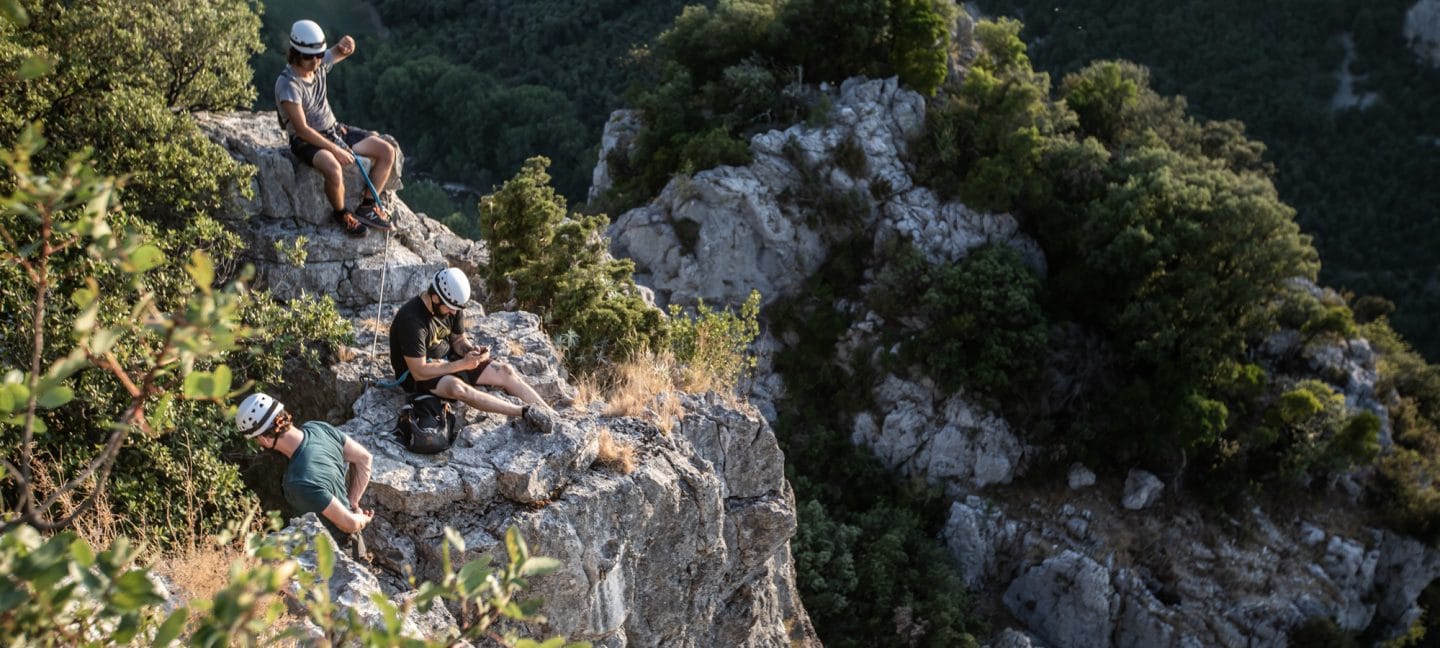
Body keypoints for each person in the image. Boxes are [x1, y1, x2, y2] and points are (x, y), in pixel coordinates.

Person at [389, 267, 556, 433]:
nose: (454, 312)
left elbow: (458, 340)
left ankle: (550, 413)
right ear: (434, 297)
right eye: (449, 308)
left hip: (448, 359)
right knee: (458, 389)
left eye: (456, 308)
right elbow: (419, 371)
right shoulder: (412, 321)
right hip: (418, 375)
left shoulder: (452, 304)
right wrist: (463, 364)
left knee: (505, 370)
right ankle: (524, 412)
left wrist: (471, 351)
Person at [276, 19, 395, 237]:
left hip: (335, 130)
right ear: (295, 53)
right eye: (309, 57)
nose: (316, 61)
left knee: (387, 151)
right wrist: (336, 150)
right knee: (333, 168)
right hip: (306, 141)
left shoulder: (318, 63)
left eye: (319, 55)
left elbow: (340, 51)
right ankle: (342, 214)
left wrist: (346, 44)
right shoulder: (288, 84)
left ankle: (368, 207)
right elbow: (301, 129)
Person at [237, 392, 374, 552]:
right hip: (357, 546)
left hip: (334, 556)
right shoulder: (318, 428)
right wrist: (352, 503)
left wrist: (362, 519)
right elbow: (364, 459)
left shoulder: (298, 480)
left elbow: (349, 524)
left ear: (264, 439)